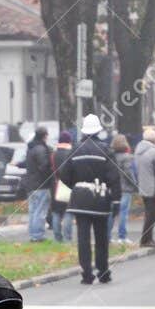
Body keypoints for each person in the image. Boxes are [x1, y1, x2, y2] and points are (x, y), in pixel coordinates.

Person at [57, 115, 119, 285]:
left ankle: (86, 274)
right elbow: (114, 177)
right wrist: (116, 201)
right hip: (100, 198)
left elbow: (63, 174)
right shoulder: (106, 150)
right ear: (99, 130)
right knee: (101, 238)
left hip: (80, 199)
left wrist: (76, 186)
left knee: (83, 239)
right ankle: (103, 271)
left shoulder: (75, 149)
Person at [23, 126, 54, 242]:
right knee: (40, 211)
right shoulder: (41, 149)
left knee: (33, 211)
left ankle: (33, 234)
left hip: (31, 184)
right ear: (45, 135)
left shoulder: (31, 148)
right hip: (41, 184)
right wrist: (51, 172)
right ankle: (38, 235)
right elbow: (44, 166)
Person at [110, 132, 137, 243]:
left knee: (111, 213)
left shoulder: (110, 157)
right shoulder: (128, 157)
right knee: (123, 213)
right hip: (125, 189)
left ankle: (108, 236)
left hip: (112, 188)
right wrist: (135, 184)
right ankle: (122, 236)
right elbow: (128, 173)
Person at [50, 131, 74, 240]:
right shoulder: (72, 153)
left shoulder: (54, 154)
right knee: (68, 211)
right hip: (68, 184)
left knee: (56, 212)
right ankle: (67, 237)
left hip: (56, 185)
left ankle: (57, 237)